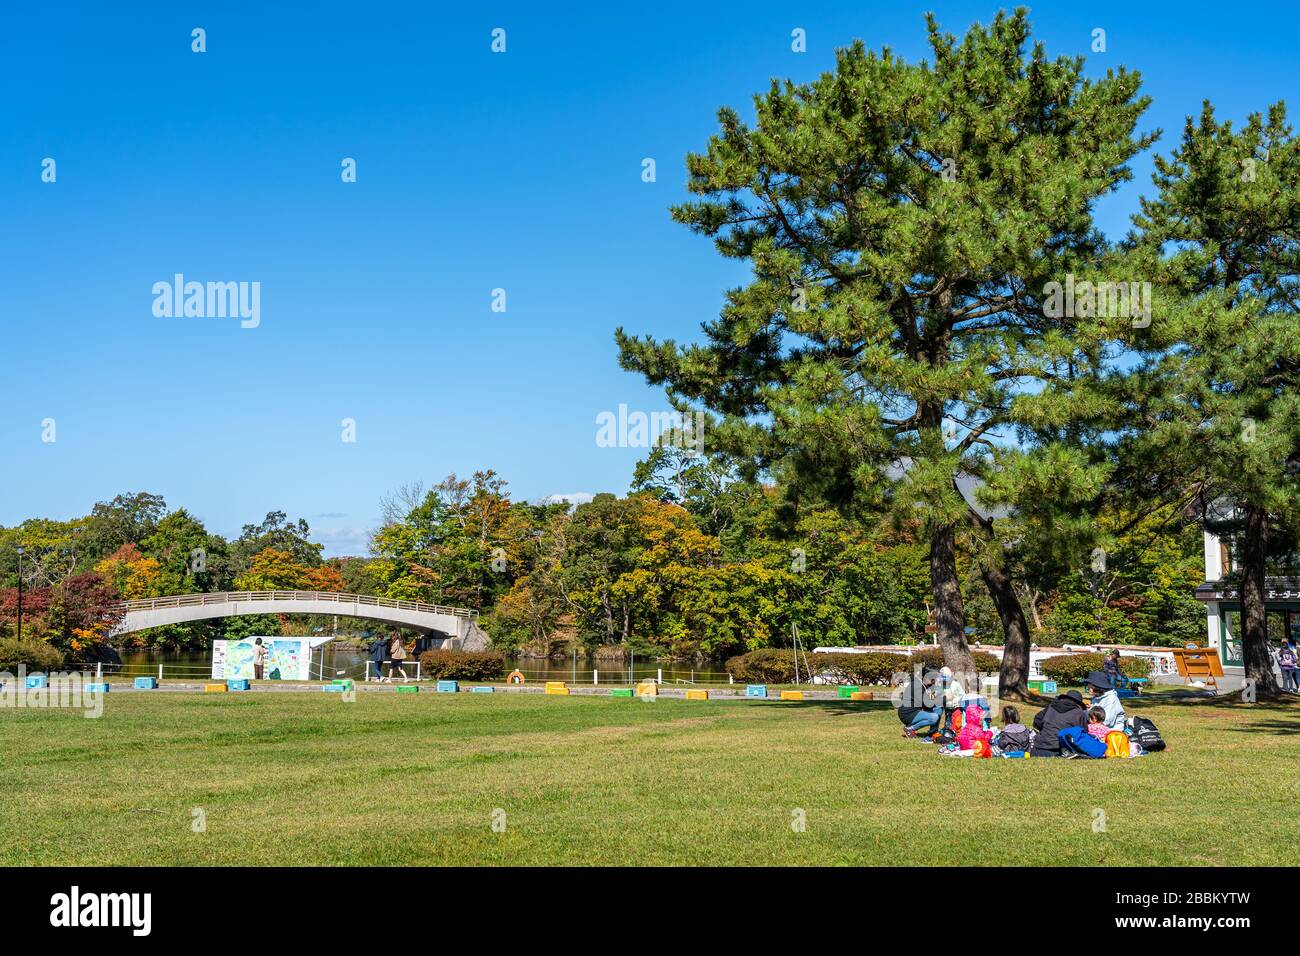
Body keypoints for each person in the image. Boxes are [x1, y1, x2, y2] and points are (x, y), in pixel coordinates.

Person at [1030, 689, 1088, 757]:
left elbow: (1037, 721)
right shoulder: (1079, 713)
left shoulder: (1051, 706)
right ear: (1079, 703)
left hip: (1039, 747)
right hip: (1060, 750)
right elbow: (1083, 734)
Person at [898, 668, 943, 738]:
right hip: (907, 714)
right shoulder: (917, 686)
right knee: (934, 717)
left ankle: (933, 732)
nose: (934, 681)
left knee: (938, 707)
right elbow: (927, 705)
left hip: (914, 711)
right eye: (933, 679)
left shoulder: (923, 685)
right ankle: (910, 728)